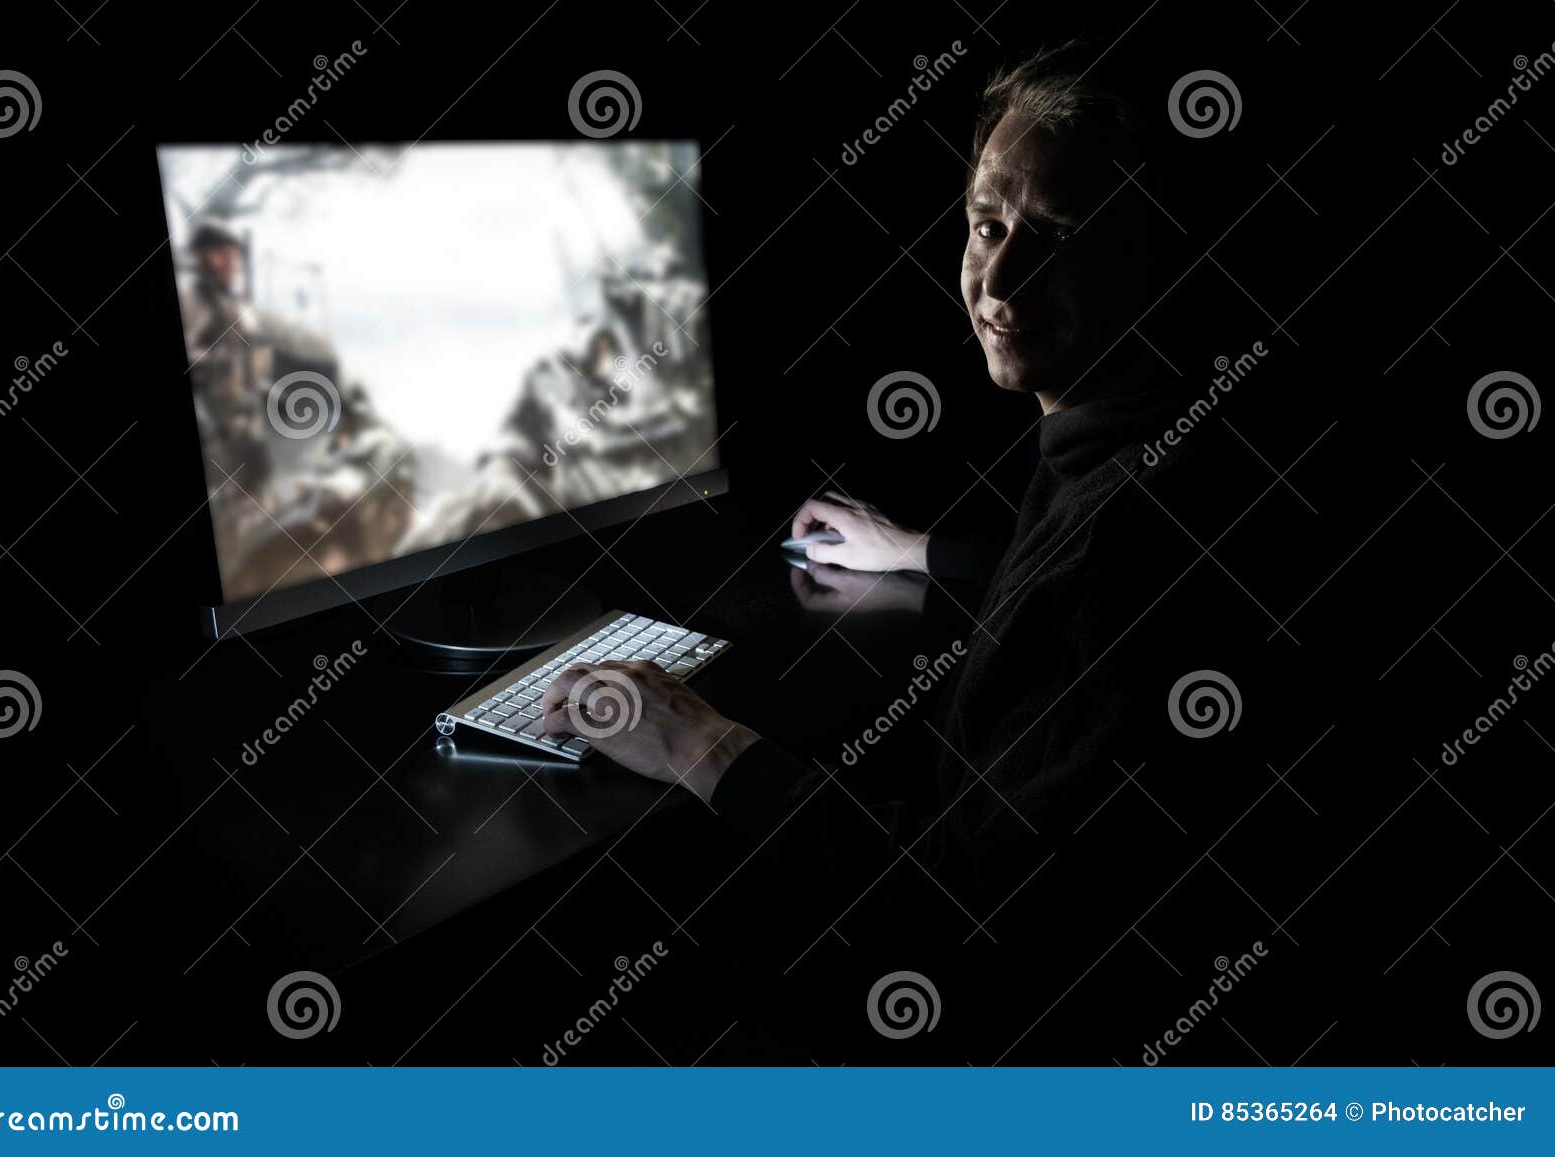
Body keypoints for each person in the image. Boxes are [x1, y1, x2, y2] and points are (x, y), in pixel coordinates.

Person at [538, 42, 1295, 1056]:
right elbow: (1062, 580)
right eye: (988, 224)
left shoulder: (1133, 528)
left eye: (1060, 236)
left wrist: (692, 741)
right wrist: (919, 550)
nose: (1000, 277)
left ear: (1162, 251)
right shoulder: (1139, 437)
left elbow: (956, 903)